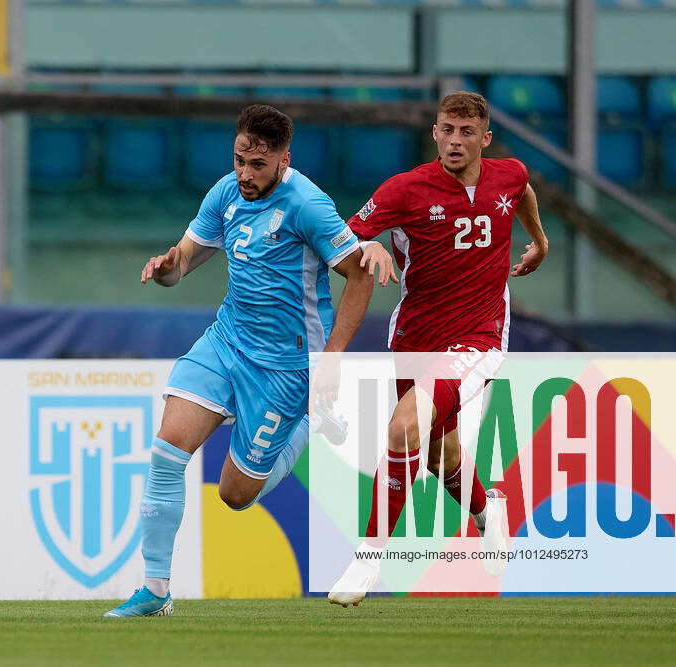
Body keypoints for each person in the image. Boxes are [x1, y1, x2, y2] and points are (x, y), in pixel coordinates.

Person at [104, 104, 374, 617]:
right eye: (239, 160)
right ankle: (155, 591)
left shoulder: (309, 206)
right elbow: (182, 261)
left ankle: (310, 420)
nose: (245, 174)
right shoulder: (225, 193)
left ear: (282, 159)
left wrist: (333, 359)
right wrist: (165, 266)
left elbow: (359, 276)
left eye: (257, 164)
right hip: (226, 341)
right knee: (166, 451)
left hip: (286, 367)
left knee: (235, 494)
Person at [328, 91, 549, 606]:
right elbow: (340, 236)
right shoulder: (403, 190)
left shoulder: (508, 174)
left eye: (466, 132)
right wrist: (369, 243)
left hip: (479, 333)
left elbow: (525, 193)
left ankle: (368, 558)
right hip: (414, 336)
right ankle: (485, 507)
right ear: (434, 132)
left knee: (404, 425)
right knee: (434, 451)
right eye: (447, 130)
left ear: (484, 139)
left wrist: (539, 240)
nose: (455, 140)